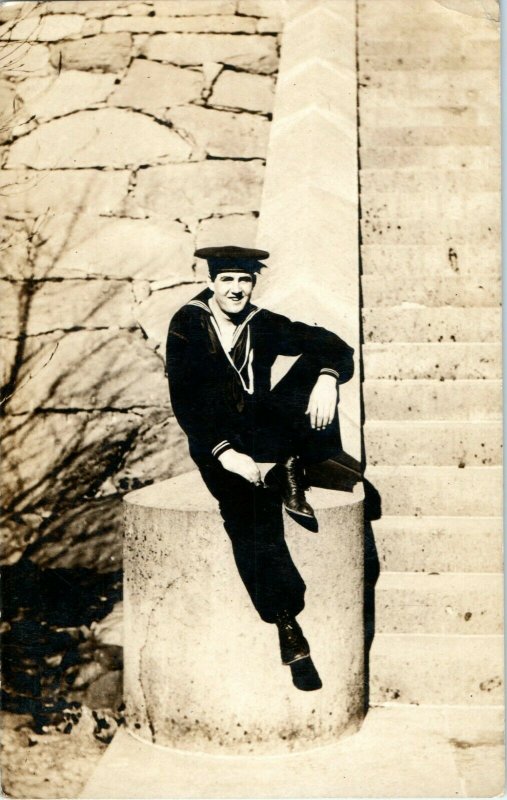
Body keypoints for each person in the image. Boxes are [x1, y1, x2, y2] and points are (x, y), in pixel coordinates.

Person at [166, 246, 354, 668]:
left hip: (261, 430)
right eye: (228, 279)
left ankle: (289, 464)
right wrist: (226, 453)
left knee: (314, 368)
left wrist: (328, 377)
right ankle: (286, 620)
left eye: (244, 280)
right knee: (249, 518)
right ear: (212, 282)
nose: (236, 289)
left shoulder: (261, 323)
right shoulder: (189, 324)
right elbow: (185, 400)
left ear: (254, 283)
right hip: (214, 439)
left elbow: (333, 345)